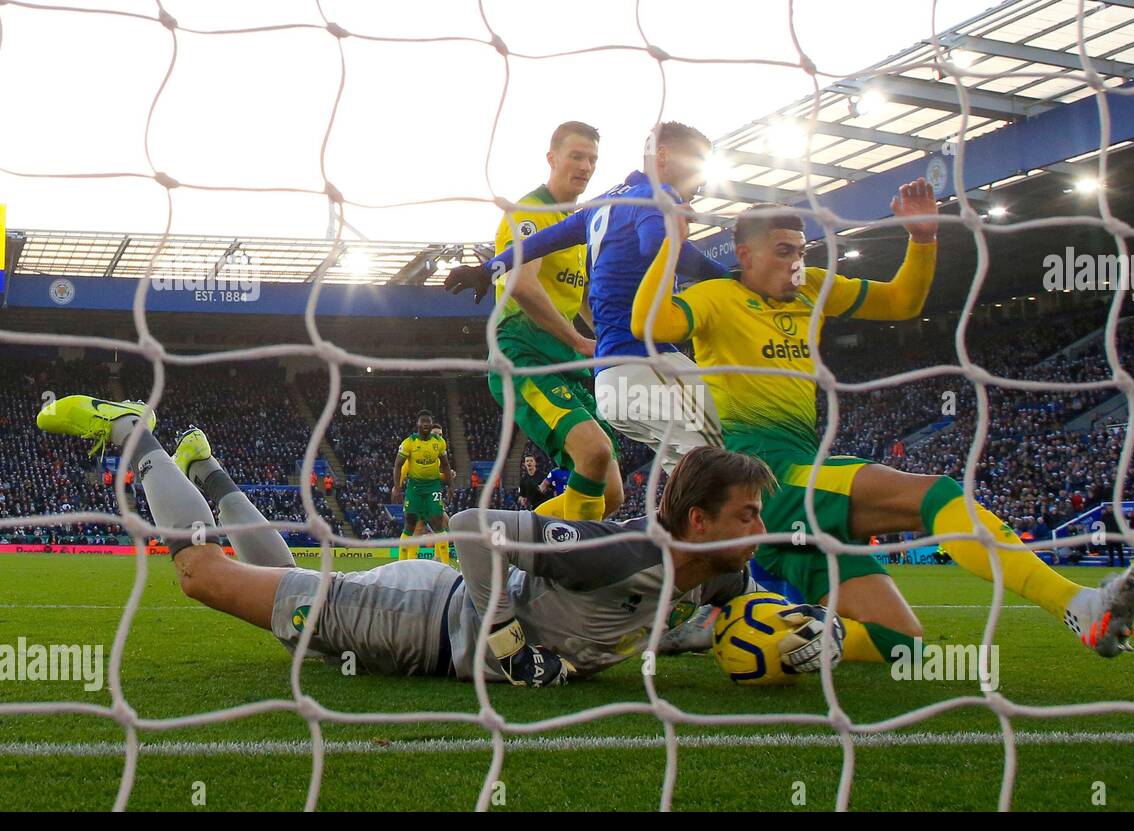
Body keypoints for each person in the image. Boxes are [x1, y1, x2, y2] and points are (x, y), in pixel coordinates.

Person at [631, 195, 1134, 660]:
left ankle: (732, 629)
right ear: (744, 255)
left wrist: (923, 239)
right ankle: (1078, 605)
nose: (797, 264)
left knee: (902, 643)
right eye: (783, 251)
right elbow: (646, 325)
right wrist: (668, 245)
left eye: (801, 251)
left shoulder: (813, 287)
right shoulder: (715, 299)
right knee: (935, 494)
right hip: (768, 478)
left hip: (803, 479)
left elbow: (902, 301)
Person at [35, 396, 838, 685]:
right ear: (697, 522)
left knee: (301, 610)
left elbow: (743, 616)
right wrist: (498, 628)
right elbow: (472, 527)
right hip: (424, 622)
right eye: (747, 518)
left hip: (427, 618)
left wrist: (819, 637)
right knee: (205, 578)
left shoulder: (716, 579)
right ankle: (135, 437)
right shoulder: (631, 553)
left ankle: (207, 469)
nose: (759, 534)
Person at [447, 121, 728, 472]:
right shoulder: (652, 200)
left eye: (591, 159)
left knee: (617, 482)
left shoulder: (602, 205)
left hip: (606, 373)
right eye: (576, 156)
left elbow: (554, 260)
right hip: (607, 361)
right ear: (664, 156)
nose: (700, 179)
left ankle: (670, 524)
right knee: (726, 447)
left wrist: (489, 268)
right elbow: (656, 246)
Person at [484, 120, 624, 521]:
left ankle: (523, 547)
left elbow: (585, 300)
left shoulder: (577, 224)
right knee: (593, 451)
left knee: (610, 493)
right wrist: (580, 342)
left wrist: (618, 341)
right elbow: (522, 286)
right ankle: (516, 555)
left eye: (592, 160)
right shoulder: (531, 212)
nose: (585, 166)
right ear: (552, 158)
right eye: (576, 156)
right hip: (521, 353)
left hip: (559, 359)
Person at [391, 411, 455, 565]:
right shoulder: (410, 443)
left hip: (432, 487)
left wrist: (449, 482)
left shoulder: (439, 444)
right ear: (418, 424)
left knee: (440, 522)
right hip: (416, 488)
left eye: (441, 433)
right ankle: (407, 563)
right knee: (415, 526)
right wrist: (397, 487)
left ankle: (441, 561)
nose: (439, 435)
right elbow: (402, 467)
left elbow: (444, 466)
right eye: (437, 433)